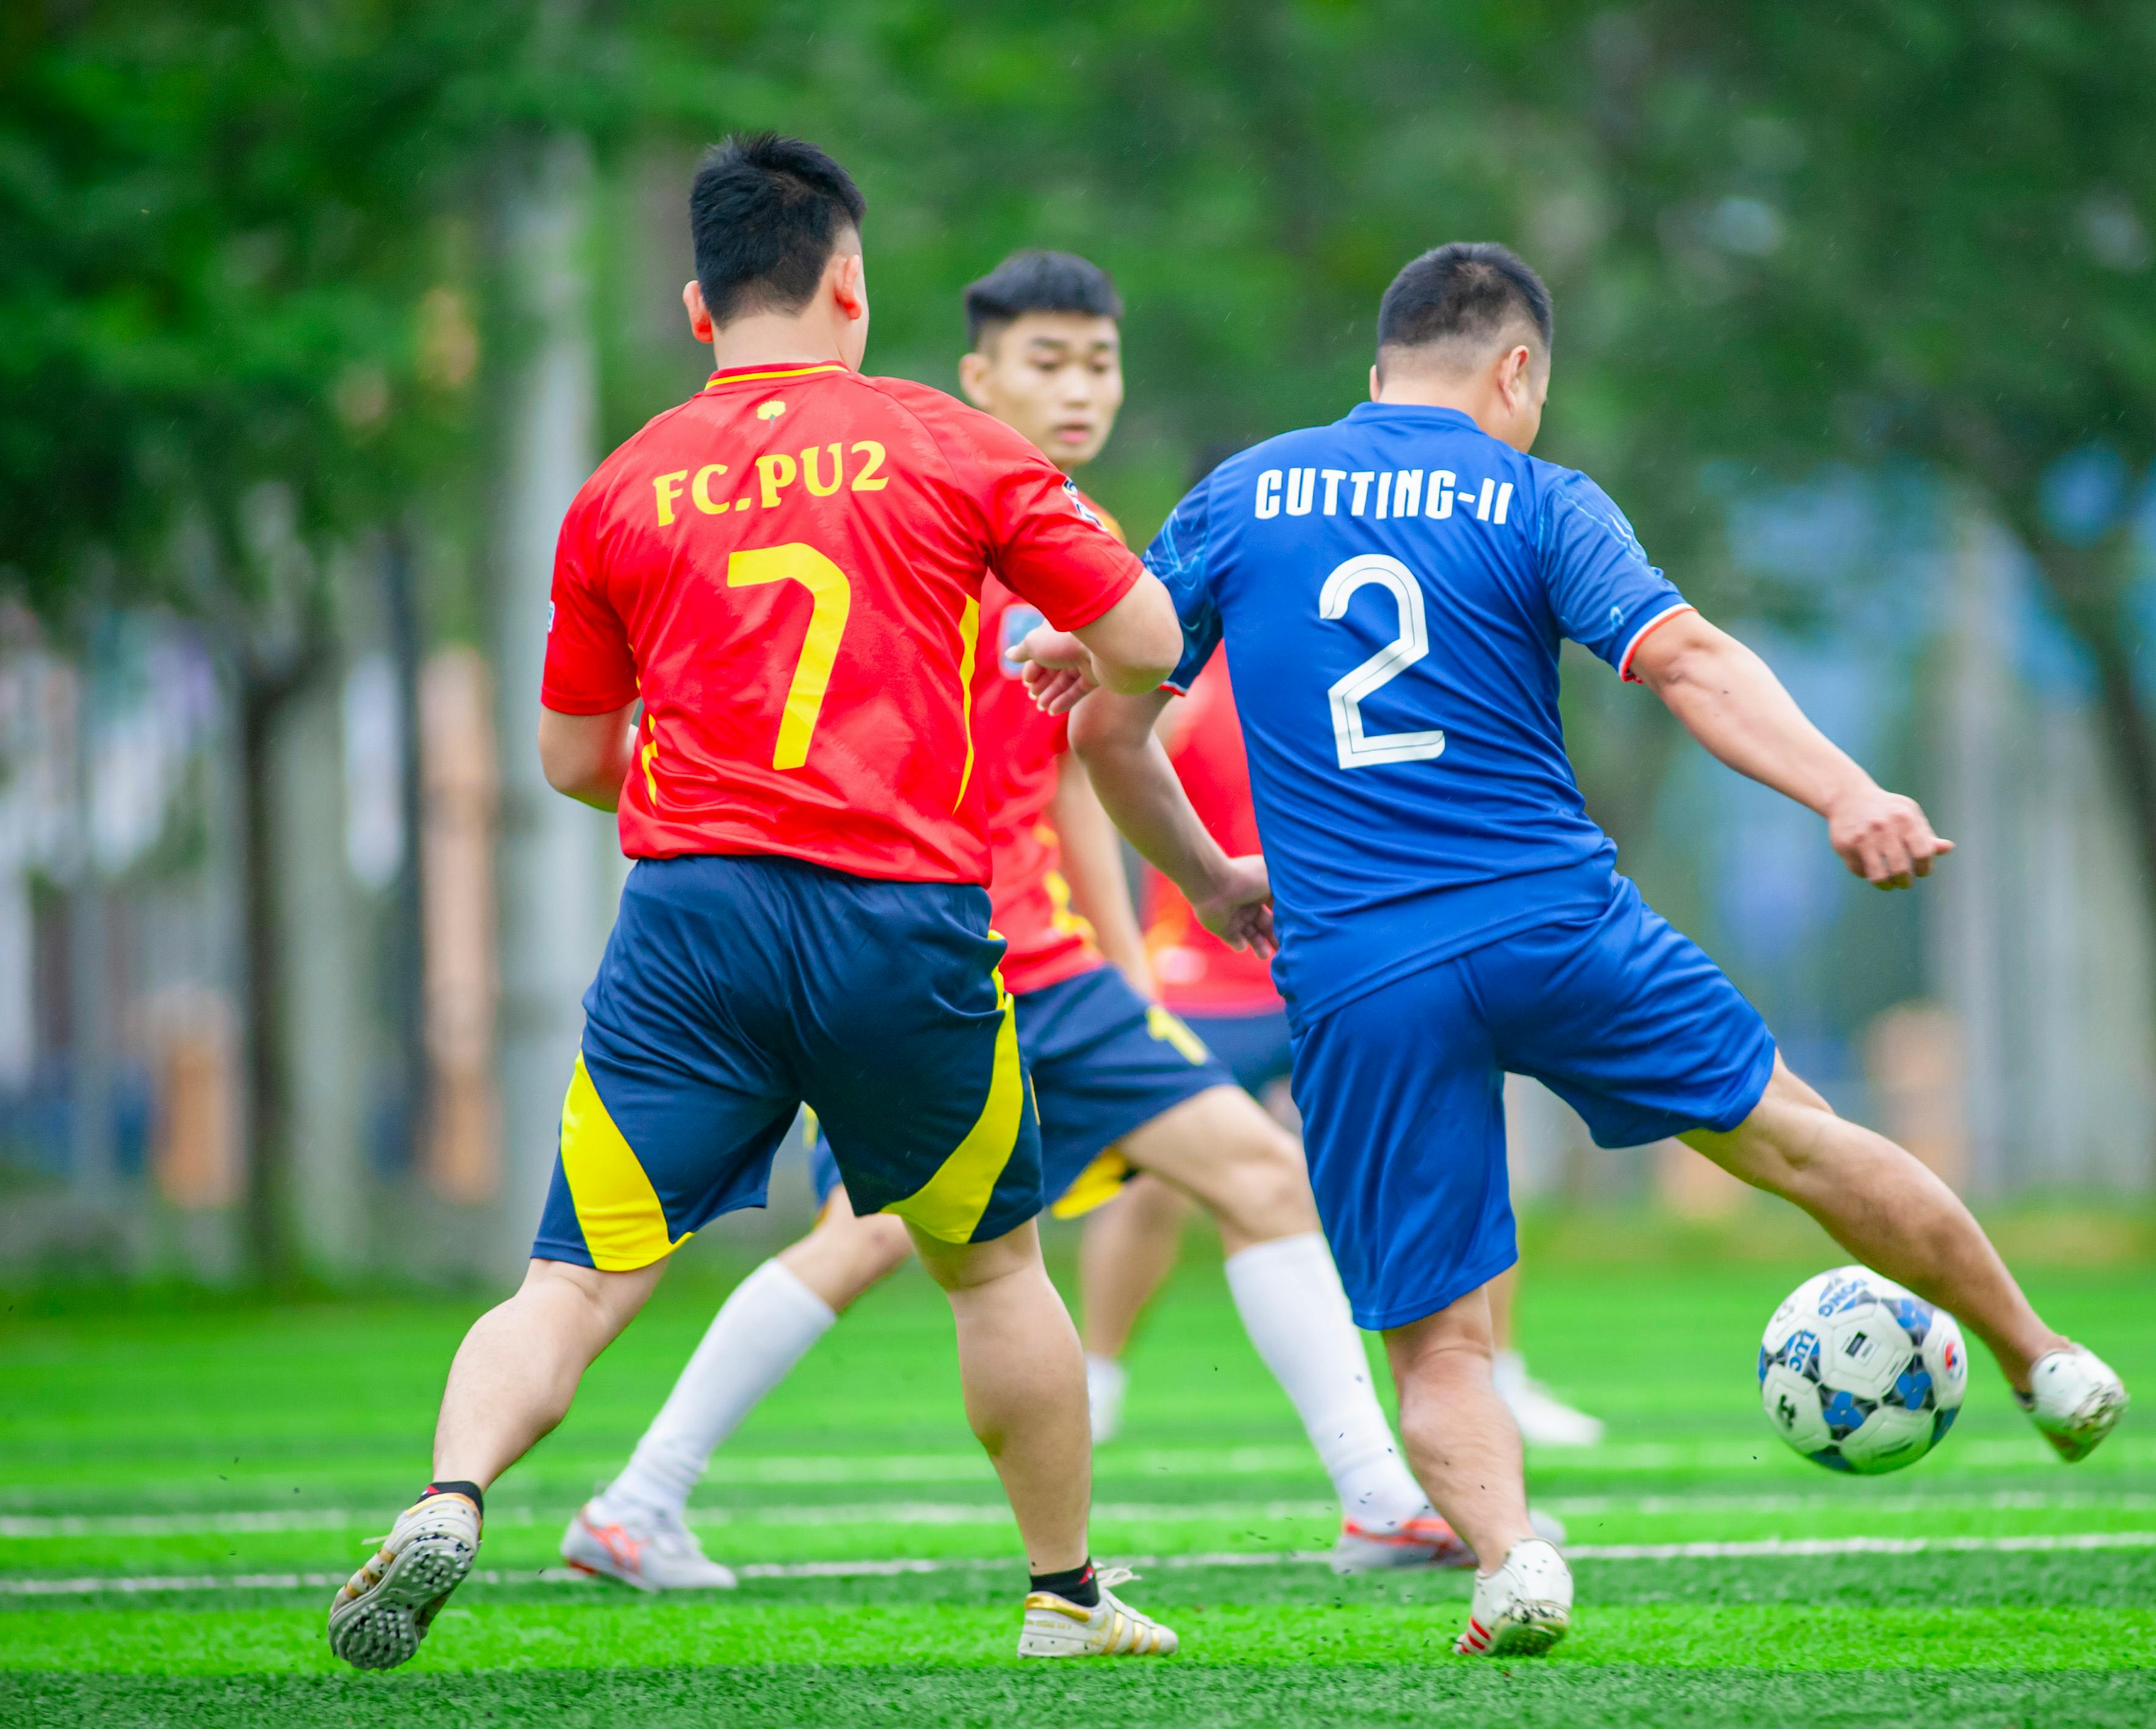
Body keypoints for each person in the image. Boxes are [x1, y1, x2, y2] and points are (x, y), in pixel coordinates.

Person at [1025, 241, 2130, 1657]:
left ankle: (1511, 1564)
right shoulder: (1537, 496)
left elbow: (1108, 730)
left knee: (1438, 1342)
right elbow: (1689, 663)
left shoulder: (1244, 494)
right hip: (1554, 921)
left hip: (1363, 972)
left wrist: (1218, 883)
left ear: (1376, 375)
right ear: (1517, 369)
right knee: (1796, 1138)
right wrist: (1845, 789)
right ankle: (2043, 1360)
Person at [325, 137, 1190, 1672]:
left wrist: (714, 798)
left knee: (575, 1282)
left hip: (690, 924)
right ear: (851, 284)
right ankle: (1065, 1598)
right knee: (991, 1265)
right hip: (900, 925)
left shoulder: (620, 487)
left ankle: (452, 1494)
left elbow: (575, 760)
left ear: (696, 306)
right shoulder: (948, 441)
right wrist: (1091, 662)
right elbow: (1146, 631)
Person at [556, 250, 1468, 1597]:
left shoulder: (1067, 535)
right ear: (976, 373)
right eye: (1046, 360)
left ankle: (1379, 1496)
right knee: (864, 1243)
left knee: (1258, 1179)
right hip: (912, 959)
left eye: (1099, 361)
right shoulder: (918, 499)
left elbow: (1073, 774)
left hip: (1041, 971)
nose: (1081, 384)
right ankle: (639, 1499)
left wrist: (1125, 965)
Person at [1102, 647, 1610, 1449]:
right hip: (1203, 969)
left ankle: (1500, 1374)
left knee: (1453, 1145)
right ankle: (1098, 1381)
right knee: (1153, 1181)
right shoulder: (1179, 654)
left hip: (1341, 955)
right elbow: (1110, 751)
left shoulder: (1336, 642)